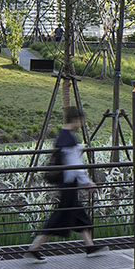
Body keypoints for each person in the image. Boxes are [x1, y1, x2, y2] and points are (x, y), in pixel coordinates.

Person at [28, 106, 99, 257]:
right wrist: (87, 182)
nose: (81, 123)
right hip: (69, 182)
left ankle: (89, 246)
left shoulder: (63, 135)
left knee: (78, 213)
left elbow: (67, 157)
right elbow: (75, 165)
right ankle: (34, 247)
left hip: (66, 181)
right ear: (74, 119)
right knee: (60, 216)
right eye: (80, 120)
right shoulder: (69, 139)